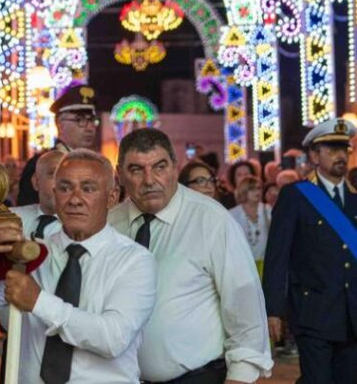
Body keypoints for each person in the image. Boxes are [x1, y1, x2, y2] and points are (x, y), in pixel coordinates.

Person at [0, 149, 158, 383]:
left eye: (88, 188)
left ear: (112, 197)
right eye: (65, 188)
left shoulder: (134, 261)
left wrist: (39, 302)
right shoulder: (33, 254)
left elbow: (113, 339)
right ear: (54, 193)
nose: (74, 199)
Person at [110, 128, 271, 384]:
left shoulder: (212, 220)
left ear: (175, 167)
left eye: (159, 167)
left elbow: (245, 307)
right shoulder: (110, 225)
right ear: (120, 175)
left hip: (199, 377)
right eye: (136, 169)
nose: (149, 180)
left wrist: (240, 376)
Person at [263, 117, 357, 384]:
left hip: (352, 314)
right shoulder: (296, 196)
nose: (341, 155)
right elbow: (277, 255)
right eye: (332, 149)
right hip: (313, 313)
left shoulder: (354, 198)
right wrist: (273, 309)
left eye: (344, 149)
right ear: (315, 155)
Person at [17, 83, 99, 205]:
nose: (90, 128)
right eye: (80, 120)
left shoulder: (97, 165)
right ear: (60, 126)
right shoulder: (42, 164)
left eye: (92, 120)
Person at [229, 176, 270, 274]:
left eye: (259, 188)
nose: (257, 192)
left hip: (265, 263)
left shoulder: (267, 210)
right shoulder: (233, 214)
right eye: (252, 189)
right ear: (243, 191)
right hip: (242, 265)